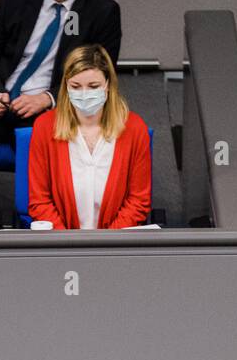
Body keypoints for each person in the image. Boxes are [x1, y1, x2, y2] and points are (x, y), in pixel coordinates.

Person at [0, 0, 121, 226]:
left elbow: (102, 77)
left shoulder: (103, 11)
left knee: (41, 167)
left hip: (47, 108)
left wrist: (47, 99)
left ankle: (37, 227)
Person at [27, 44, 150, 229]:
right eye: (75, 86)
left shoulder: (134, 128)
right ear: (66, 86)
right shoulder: (44, 127)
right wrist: (68, 245)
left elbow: (138, 201)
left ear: (108, 85)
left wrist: (107, 244)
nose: (84, 94)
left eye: (93, 86)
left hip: (116, 248)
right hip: (62, 248)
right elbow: (40, 200)